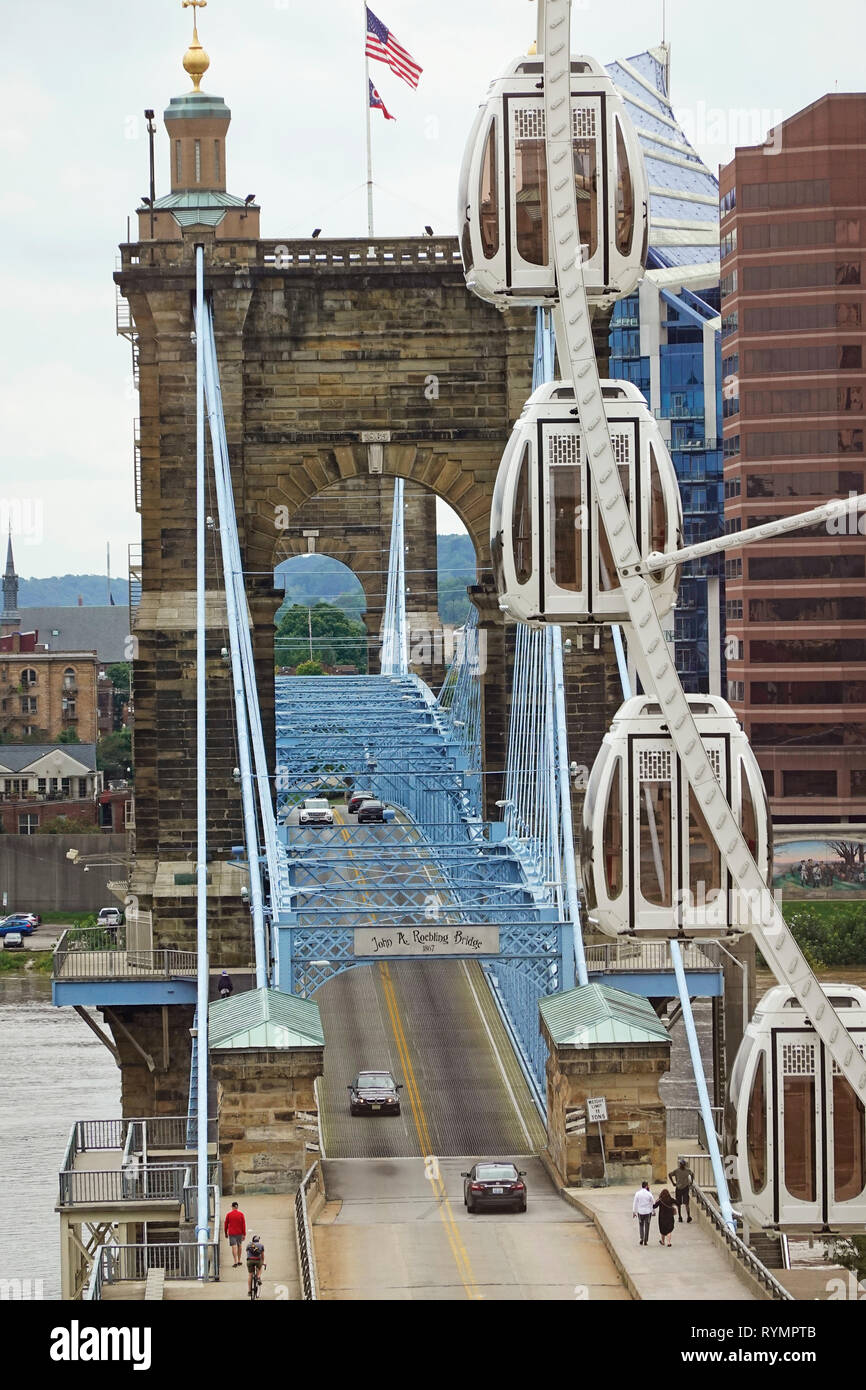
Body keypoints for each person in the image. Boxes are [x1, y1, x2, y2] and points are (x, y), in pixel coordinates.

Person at [668, 1158, 694, 1223]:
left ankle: (683, 1217)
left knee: (681, 1203)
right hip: (683, 1188)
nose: (681, 1165)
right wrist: (691, 1182)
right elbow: (692, 1174)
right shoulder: (685, 1170)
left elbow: (670, 1174)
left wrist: (673, 1183)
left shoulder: (678, 1171)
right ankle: (683, 1216)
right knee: (683, 1203)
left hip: (680, 1188)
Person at [223, 1200, 246, 1266]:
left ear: (232, 1207)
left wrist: (225, 1233)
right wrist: (244, 1234)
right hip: (239, 1232)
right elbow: (243, 1224)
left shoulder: (229, 1215)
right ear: (237, 1207)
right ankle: (239, 1260)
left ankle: (235, 1261)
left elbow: (226, 1224)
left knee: (234, 1247)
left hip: (232, 1233)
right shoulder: (241, 1214)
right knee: (239, 1246)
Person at [632, 1180, 655, 1246]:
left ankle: (642, 1238)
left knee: (641, 1225)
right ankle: (645, 1240)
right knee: (647, 1226)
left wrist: (634, 1212)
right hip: (648, 1212)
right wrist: (653, 1211)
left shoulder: (637, 1193)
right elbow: (653, 1203)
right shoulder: (649, 1194)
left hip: (640, 1212)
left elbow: (635, 1203)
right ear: (646, 1186)